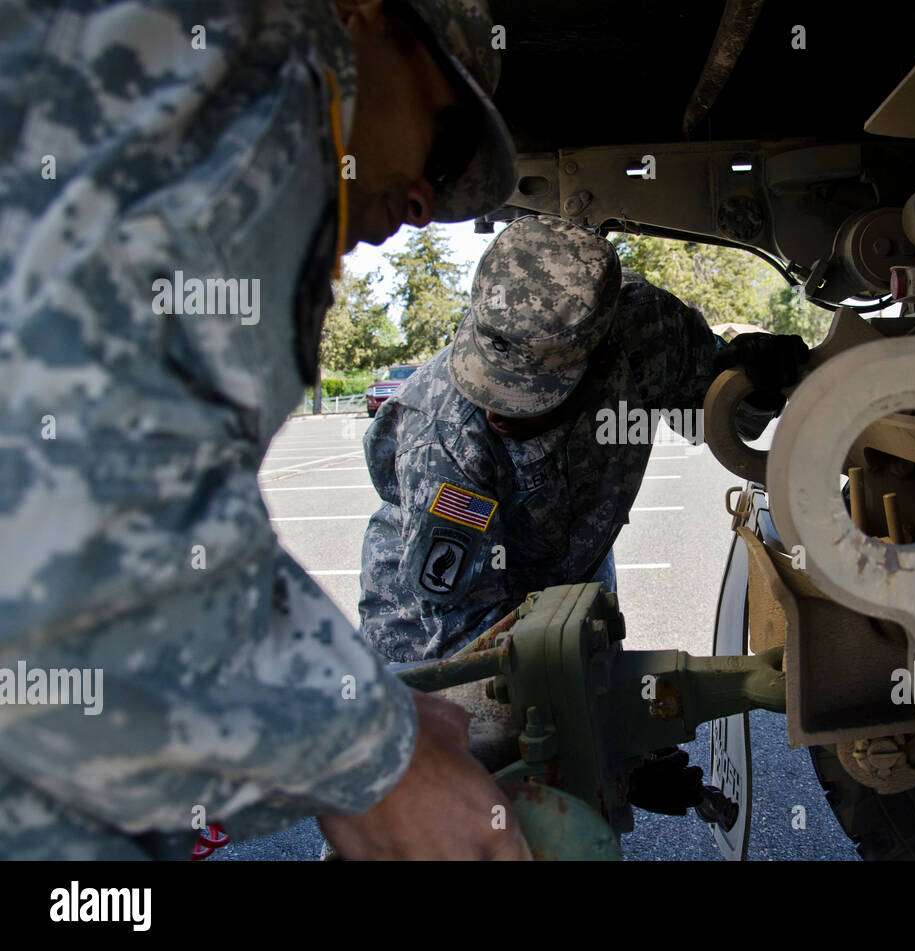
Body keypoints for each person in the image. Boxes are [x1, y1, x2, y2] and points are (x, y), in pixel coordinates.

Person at [0, 0, 529, 860]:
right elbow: (73, 514)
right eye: (436, 116)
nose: (424, 195)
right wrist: (374, 761)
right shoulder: (272, 85)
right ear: (361, 17)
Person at [360, 214, 809, 663]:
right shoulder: (445, 438)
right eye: (492, 381)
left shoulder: (644, 330)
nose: (497, 409)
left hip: (569, 583)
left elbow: (710, 421)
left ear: (601, 358)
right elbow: (465, 644)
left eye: (528, 393)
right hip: (430, 633)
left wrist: (758, 385)